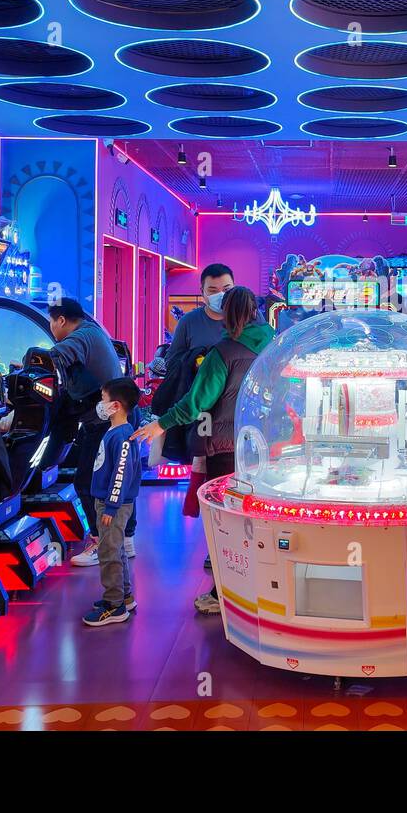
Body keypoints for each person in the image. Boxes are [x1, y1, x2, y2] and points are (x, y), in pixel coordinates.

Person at [134, 287, 273, 615]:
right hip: (265, 450)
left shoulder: (222, 354)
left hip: (225, 450)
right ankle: (260, 588)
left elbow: (197, 404)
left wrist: (161, 424)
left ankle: (224, 594)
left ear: (226, 314)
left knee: (226, 526)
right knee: (254, 523)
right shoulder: (273, 343)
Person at [154, 263, 236, 553]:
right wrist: (197, 359)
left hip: (237, 412)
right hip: (200, 411)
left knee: (235, 481)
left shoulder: (248, 319)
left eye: (226, 289)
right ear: (202, 294)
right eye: (212, 290)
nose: (219, 295)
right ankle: (215, 545)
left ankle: (232, 544)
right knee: (208, 474)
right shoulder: (190, 322)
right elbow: (174, 363)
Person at [42, 298, 122, 569]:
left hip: (103, 422)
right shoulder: (93, 331)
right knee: (104, 483)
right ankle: (121, 540)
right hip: (109, 419)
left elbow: (53, 357)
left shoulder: (82, 336)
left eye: (52, 321)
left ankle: (101, 543)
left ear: (61, 320)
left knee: (86, 483)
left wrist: (27, 366)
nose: (51, 327)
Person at [82, 377, 143, 626]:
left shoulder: (122, 436)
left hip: (112, 506)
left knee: (108, 552)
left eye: (104, 400)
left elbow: (121, 473)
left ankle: (114, 605)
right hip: (110, 503)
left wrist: (111, 505)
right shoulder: (116, 431)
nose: (100, 404)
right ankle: (124, 596)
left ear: (116, 405)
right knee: (115, 550)